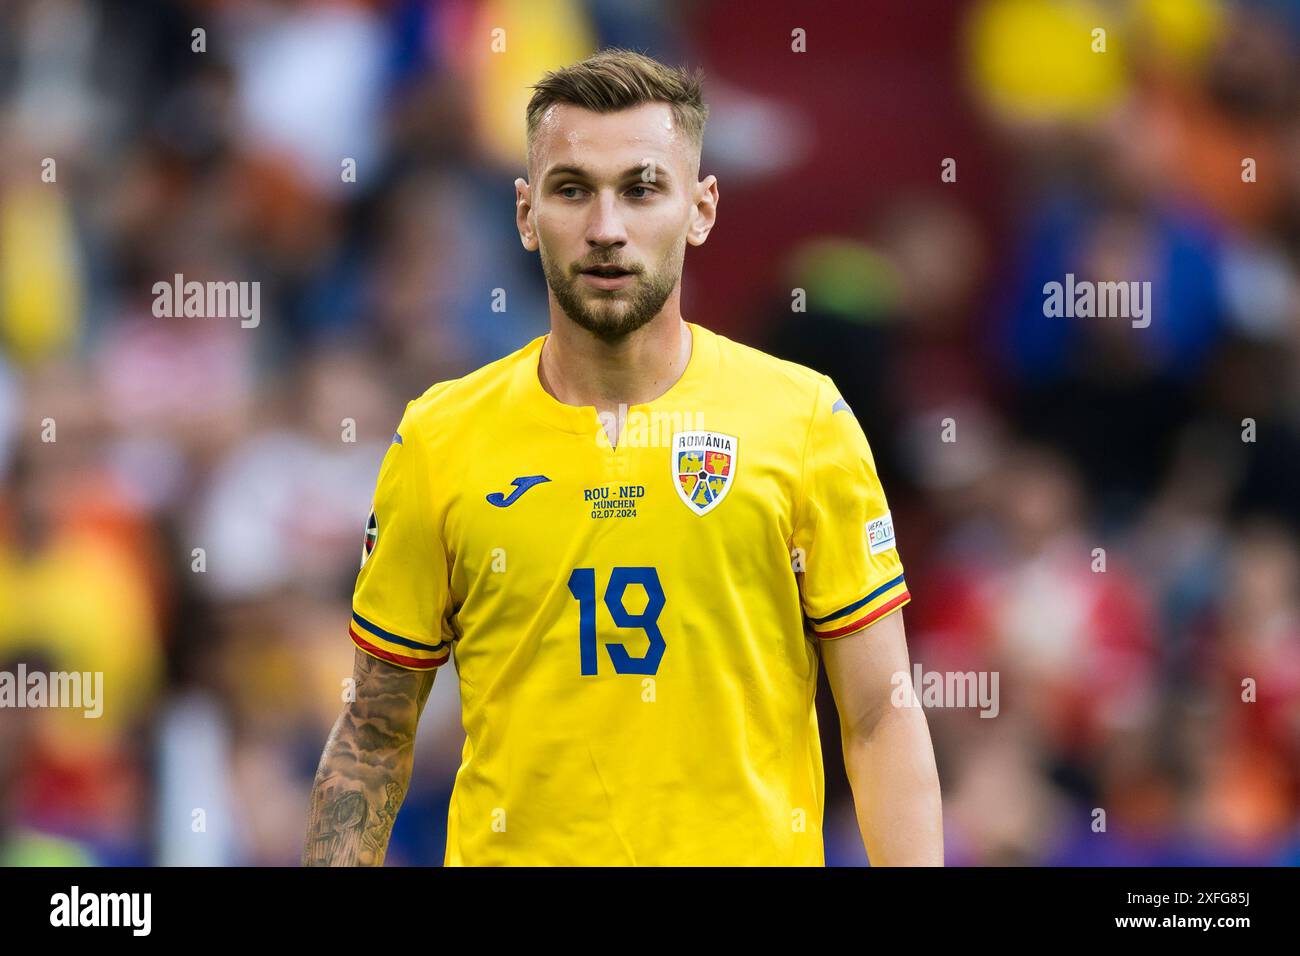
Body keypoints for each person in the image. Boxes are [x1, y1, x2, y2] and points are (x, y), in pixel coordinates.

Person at [303, 48, 942, 866]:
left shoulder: (804, 420)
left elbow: (882, 714)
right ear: (527, 214)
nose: (607, 228)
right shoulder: (440, 437)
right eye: (573, 190)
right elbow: (373, 730)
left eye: (642, 188)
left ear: (701, 208)